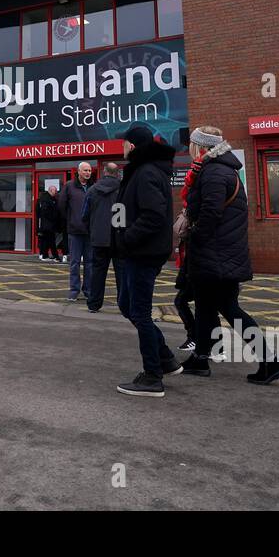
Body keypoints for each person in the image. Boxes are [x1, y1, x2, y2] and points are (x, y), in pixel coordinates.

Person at [179, 125, 279, 384]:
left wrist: (194, 236)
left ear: (202, 148)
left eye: (192, 146)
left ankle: (270, 362)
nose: (190, 151)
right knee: (208, 309)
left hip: (215, 256)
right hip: (221, 254)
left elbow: (210, 214)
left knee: (229, 310)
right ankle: (201, 359)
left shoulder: (214, 173)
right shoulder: (223, 171)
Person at [111, 125, 182, 397]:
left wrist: (128, 238)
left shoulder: (147, 172)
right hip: (136, 252)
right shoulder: (141, 171)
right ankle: (165, 358)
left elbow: (153, 215)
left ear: (133, 145)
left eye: (125, 142)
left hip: (143, 252)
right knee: (126, 304)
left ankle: (152, 376)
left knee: (139, 312)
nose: (122, 146)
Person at [172, 150, 207, 354]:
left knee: (188, 301)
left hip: (199, 259)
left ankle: (197, 339)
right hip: (194, 259)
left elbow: (186, 195)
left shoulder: (204, 186)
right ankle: (208, 344)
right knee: (212, 306)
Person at [83, 163, 122, 313]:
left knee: (98, 272)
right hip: (118, 237)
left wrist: (92, 229)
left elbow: (84, 215)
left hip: (98, 237)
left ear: (104, 172)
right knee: (121, 273)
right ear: (117, 173)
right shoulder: (123, 189)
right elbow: (126, 214)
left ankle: (94, 304)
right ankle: (123, 304)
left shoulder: (92, 190)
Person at [57, 162, 94, 300]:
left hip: (90, 232)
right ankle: (74, 291)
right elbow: (62, 206)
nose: (88, 173)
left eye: (89, 170)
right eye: (85, 170)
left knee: (90, 263)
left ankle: (88, 291)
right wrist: (71, 220)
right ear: (78, 171)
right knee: (75, 263)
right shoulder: (69, 186)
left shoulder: (93, 186)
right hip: (75, 231)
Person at [34, 185, 61, 262]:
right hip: (47, 225)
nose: (56, 193)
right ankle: (55, 256)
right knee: (51, 241)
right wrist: (54, 217)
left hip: (45, 224)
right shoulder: (47, 200)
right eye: (55, 191)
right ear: (51, 190)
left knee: (46, 240)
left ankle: (44, 255)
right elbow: (46, 212)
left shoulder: (43, 199)